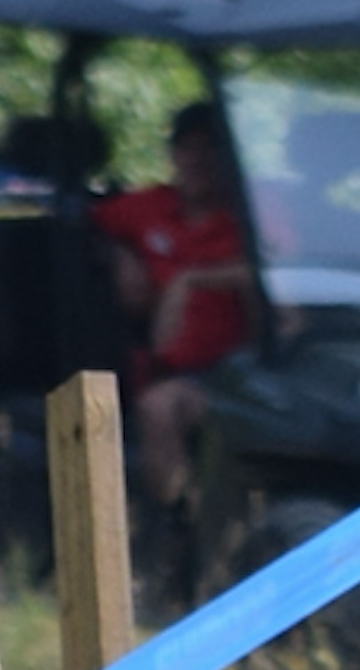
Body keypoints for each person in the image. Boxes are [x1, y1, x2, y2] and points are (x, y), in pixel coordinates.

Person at [91, 101, 254, 527]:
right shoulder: (149, 208)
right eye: (188, 148)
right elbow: (87, 224)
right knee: (157, 408)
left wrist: (195, 280)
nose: (198, 160)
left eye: (210, 150)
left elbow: (278, 270)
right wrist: (122, 256)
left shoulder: (250, 214)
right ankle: (181, 523)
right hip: (177, 371)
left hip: (246, 368)